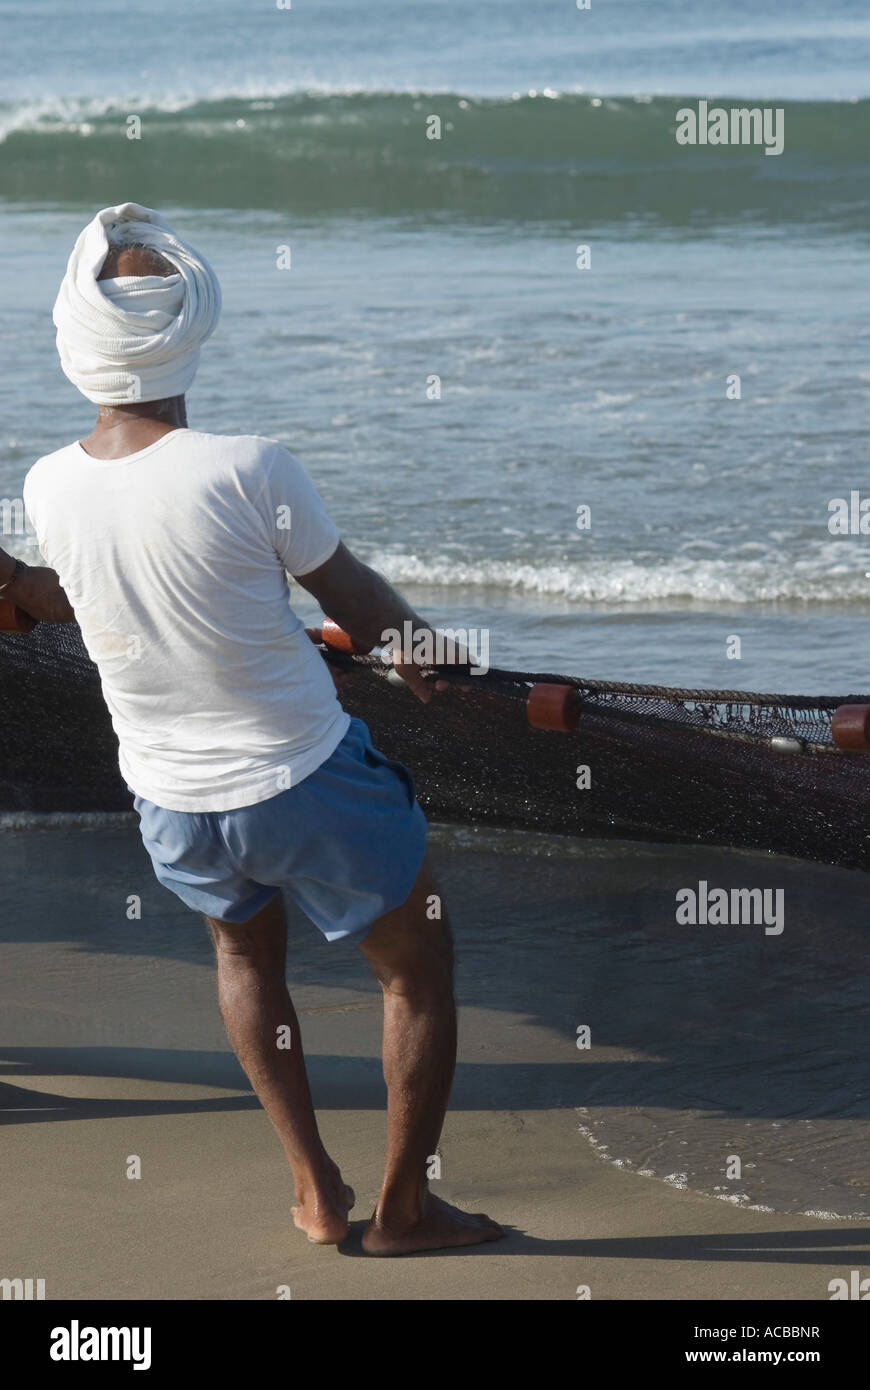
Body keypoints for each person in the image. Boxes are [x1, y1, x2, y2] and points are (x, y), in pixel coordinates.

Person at [11, 202, 503, 1257]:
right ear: (190, 327)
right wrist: (430, 659)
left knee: (245, 957)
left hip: (169, 800)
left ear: (76, 340)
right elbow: (366, 615)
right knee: (417, 961)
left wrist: (16, 585)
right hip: (302, 776)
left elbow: (73, 593)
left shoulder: (47, 483)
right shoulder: (251, 466)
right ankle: (405, 1213)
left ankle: (316, 1193)